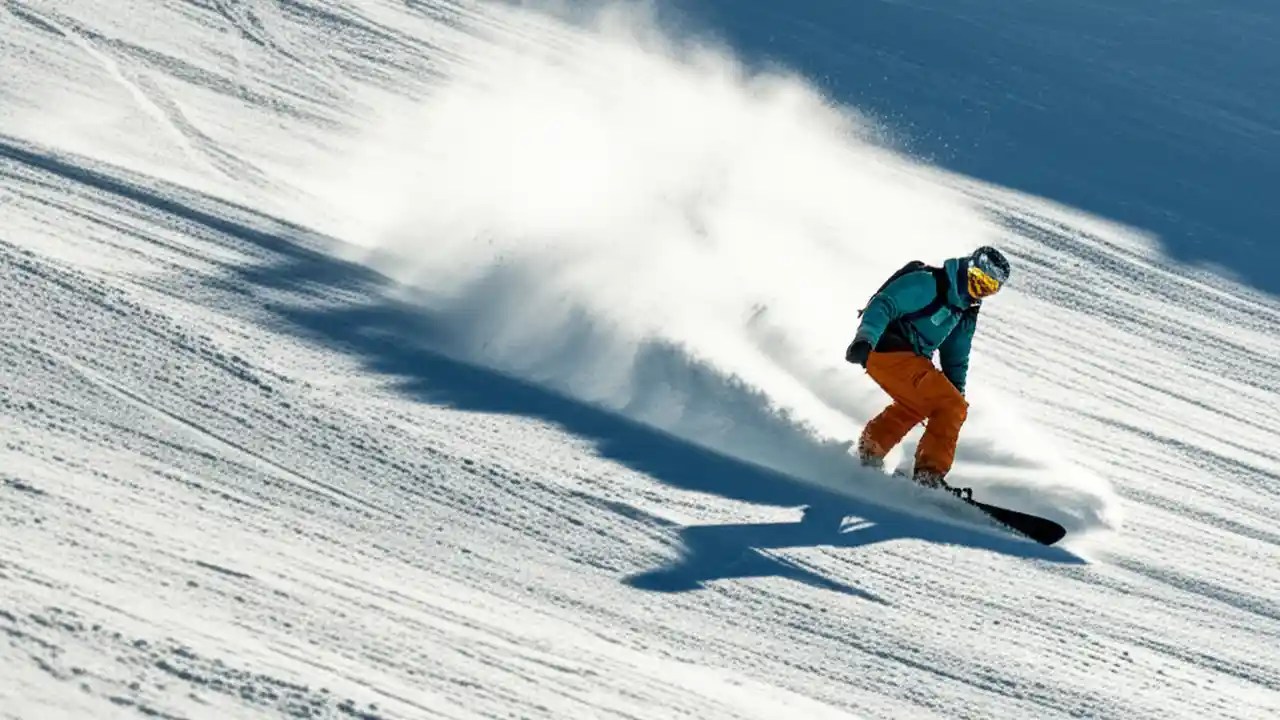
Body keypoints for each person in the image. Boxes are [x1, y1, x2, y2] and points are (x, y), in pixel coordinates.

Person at [845, 246, 1010, 488]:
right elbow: (885, 303)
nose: (979, 290)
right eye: (977, 280)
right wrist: (865, 338)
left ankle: (869, 451)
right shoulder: (930, 283)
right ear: (968, 267)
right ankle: (929, 476)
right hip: (885, 349)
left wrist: (955, 396)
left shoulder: (964, 311)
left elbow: (955, 357)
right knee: (946, 405)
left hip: (909, 360)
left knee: (918, 405)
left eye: (989, 288)